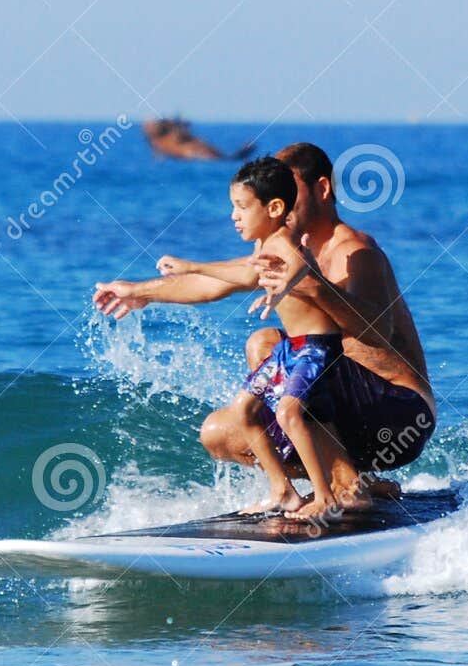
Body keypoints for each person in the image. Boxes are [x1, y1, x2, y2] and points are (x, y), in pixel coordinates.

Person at [92, 142, 435, 507]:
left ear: (322, 189)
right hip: (340, 413)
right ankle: (334, 481)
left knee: (265, 343)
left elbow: (377, 333)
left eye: (288, 189)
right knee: (221, 434)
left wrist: (316, 288)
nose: (279, 201)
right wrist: (140, 292)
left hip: (400, 414)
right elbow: (215, 282)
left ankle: (345, 484)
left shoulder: (356, 252)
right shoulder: (280, 245)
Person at [177, 156, 359, 516]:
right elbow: (247, 275)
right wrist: (192, 267)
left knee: (289, 414)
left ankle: (325, 498)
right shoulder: (266, 245)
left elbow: (303, 263)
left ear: (274, 208)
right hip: (291, 349)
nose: (234, 216)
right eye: (233, 207)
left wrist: (284, 284)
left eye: (242, 207)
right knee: (244, 410)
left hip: (315, 349)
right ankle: (283, 491)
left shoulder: (284, 241)